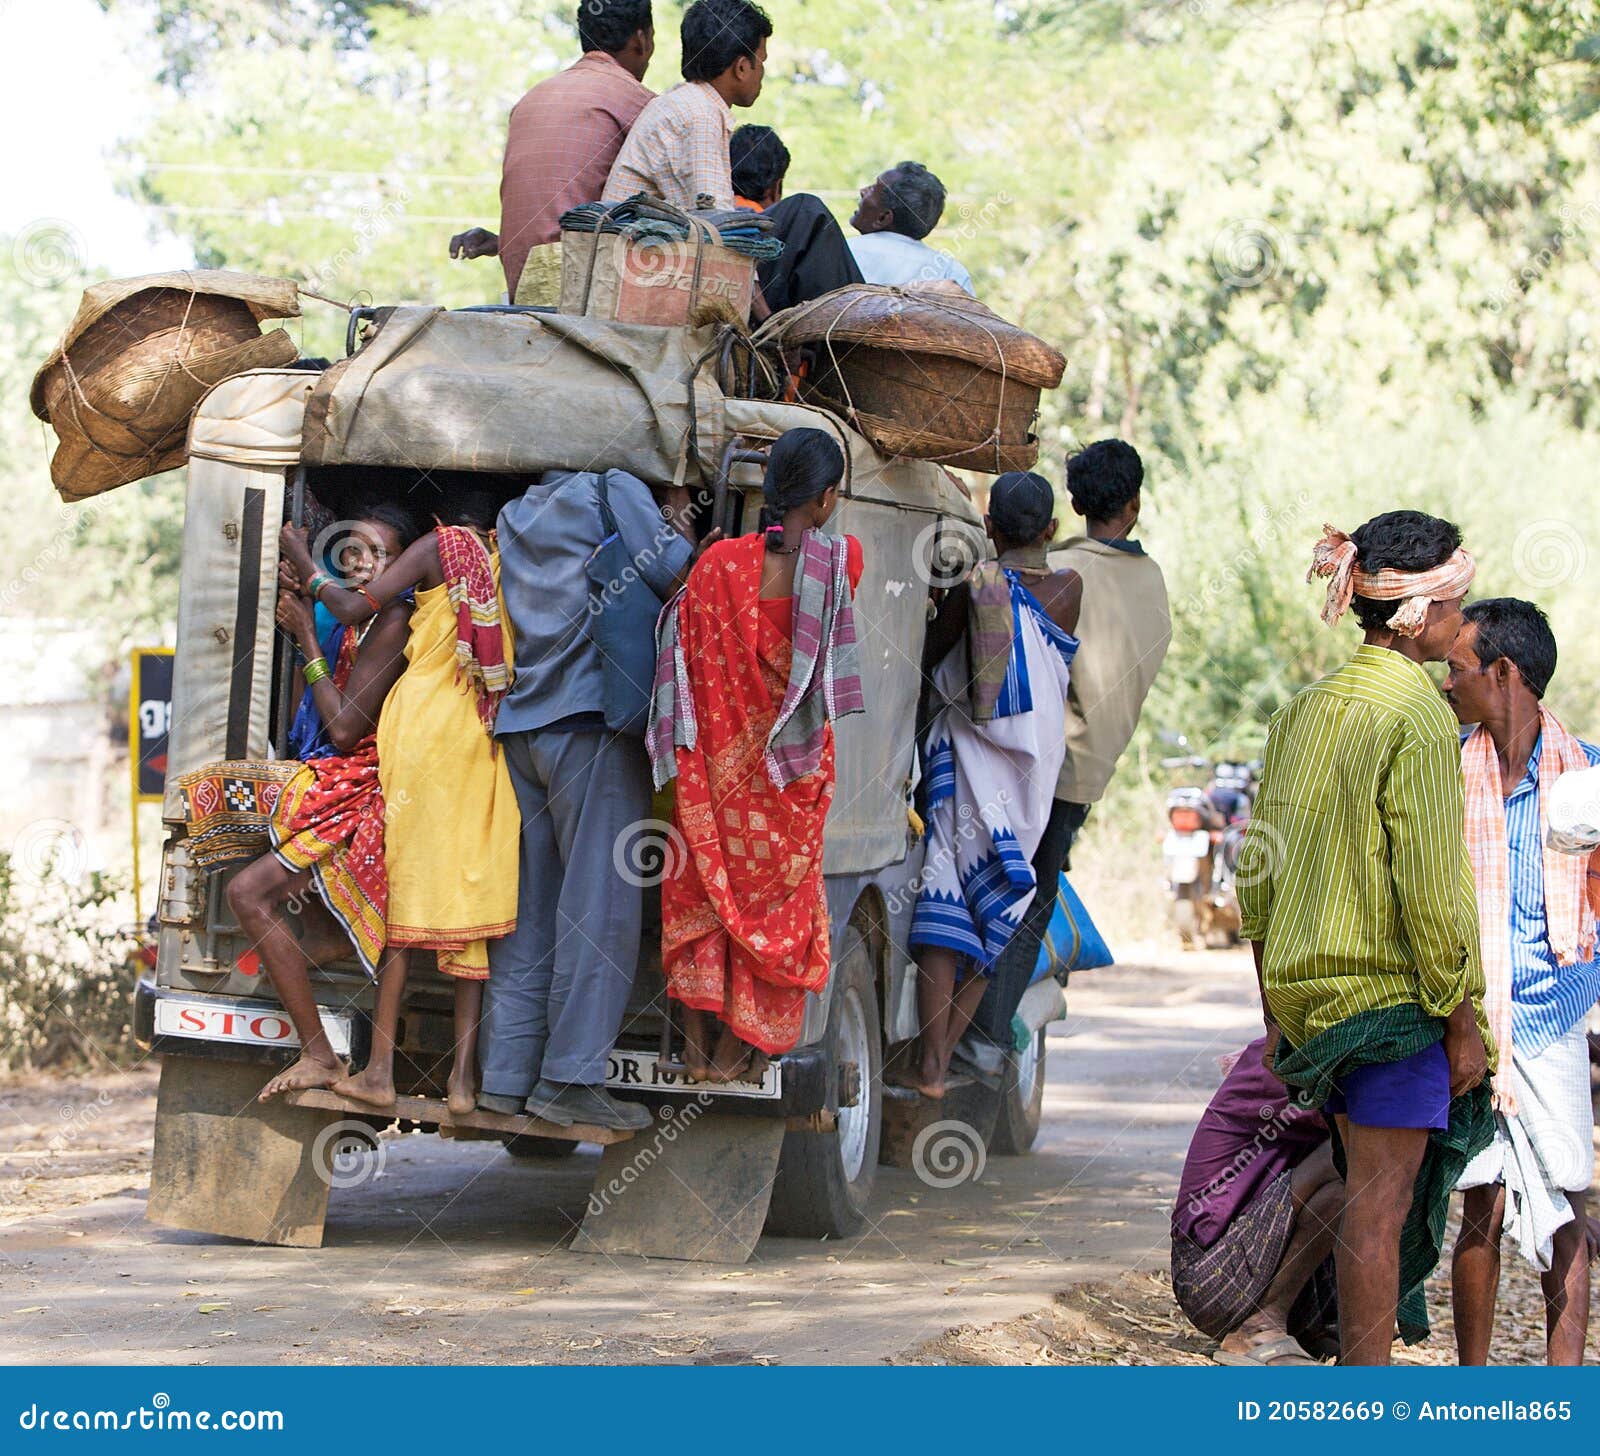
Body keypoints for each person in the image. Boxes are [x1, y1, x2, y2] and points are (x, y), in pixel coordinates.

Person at [1238, 510, 1494, 1365]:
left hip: (1317, 1010)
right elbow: (1429, 887)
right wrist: (1463, 1020)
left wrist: (1275, 1006)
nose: (1463, 624)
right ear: (1419, 617)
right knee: (1378, 1215)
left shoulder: (1304, 711)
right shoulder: (1417, 715)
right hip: (1392, 1008)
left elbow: (1258, 878)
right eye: (1456, 608)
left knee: (1362, 1199)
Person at [480, 467, 712, 1132]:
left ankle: (505, 1075)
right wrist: (681, 522)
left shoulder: (518, 507)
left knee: (532, 911)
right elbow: (681, 581)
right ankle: (570, 1078)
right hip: (591, 727)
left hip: (524, 728)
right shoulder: (611, 489)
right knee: (600, 909)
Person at [280, 490, 520, 1116]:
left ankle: (380, 1071)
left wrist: (306, 560)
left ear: (448, 519)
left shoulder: (440, 547)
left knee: (407, 903)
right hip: (483, 745)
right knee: (468, 902)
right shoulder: (510, 560)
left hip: (423, 744)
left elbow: (350, 604)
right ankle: (464, 1085)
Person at [647, 428, 865, 1082]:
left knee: (699, 898)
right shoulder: (841, 560)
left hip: (711, 782)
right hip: (788, 785)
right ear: (827, 499)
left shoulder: (715, 568)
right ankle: (736, 1052)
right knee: (773, 907)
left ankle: (692, 1049)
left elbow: (680, 635)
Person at [1442, 597, 1600, 1365]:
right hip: (1472, 1022)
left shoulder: (1588, 779)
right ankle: (1473, 1392)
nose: (1448, 683)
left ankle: (1564, 1396)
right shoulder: (1446, 773)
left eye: (1460, 668)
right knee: (1482, 1201)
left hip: (1552, 1018)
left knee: (1567, 1205)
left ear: (1504, 674)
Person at [225, 507, 422, 1100]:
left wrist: (307, 637)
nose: (363, 565)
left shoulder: (395, 621)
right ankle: (326, 938)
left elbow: (342, 730)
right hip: (342, 778)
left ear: (402, 569)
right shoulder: (355, 623)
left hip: (366, 787)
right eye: (354, 552)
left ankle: (319, 1055)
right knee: (220, 809)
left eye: (379, 556)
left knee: (245, 891)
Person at [978, 439, 1168, 1045]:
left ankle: (982, 1045)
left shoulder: (1058, 572)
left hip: (1036, 768)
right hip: (1089, 774)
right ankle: (985, 1039)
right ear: (1134, 505)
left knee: (1008, 902)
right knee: (1034, 896)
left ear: (1075, 506)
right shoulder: (1153, 580)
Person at [902, 471, 1080, 1098]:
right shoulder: (1069, 588)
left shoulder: (978, 587)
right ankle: (944, 1060)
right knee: (995, 916)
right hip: (1028, 785)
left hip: (967, 773)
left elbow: (928, 657)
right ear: (1052, 531)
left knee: (945, 914)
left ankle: (927, 1065)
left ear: (989, 528)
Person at [448, 0, 655, 304]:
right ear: (642, 39)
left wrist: (500, 243)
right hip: (585, 292)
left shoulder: (531, 98)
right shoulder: (642, 103)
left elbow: (550, 213)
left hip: (524, 287)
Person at [1171, 1037, 1343, 1366]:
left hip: (1261, 1274)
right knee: (1350, 1160)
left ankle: (1323, 1324)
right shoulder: (1285, 1059)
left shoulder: (1317, 1048)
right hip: (1214, 1278)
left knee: (1381, 1169)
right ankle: (1260, 1326)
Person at [603, 0, 769, 214]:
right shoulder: (699, 114)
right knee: (804, 210)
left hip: (647, 239)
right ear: (742, 68)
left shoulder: (690, 102)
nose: (763, 73)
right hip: (634, 244)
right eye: (762, 61)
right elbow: (715, 219)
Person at [729, 123, 863, 312]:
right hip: (758, 309)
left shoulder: (713, 216)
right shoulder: (797, 221)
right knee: (808, 208)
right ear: (776, 187)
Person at [849, 162, 973, 295]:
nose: (863, 191)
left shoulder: (843, 252)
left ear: (883, 218)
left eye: (873, 189)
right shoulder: (951, 271)